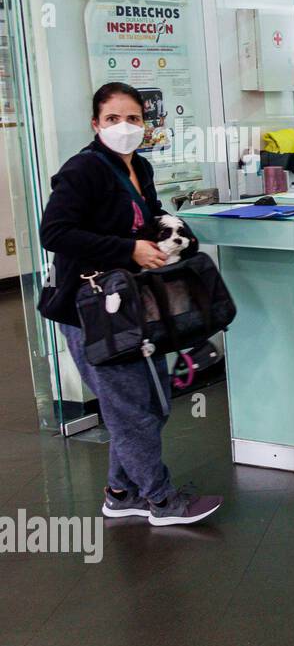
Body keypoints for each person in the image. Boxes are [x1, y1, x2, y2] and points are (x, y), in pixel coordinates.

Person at [38, 82, 222, 526]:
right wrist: (128, 250)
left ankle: (121, 493)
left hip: (133, 305)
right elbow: (54, 233)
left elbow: (150, 217)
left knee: (151, 403)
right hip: (90, 310)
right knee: (129, 408)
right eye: (114, 119)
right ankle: (160, 501)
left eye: (134, 119)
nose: (125, 127)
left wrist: (168, 240)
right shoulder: (83, 170)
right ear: (96, 124)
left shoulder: (139, 165)